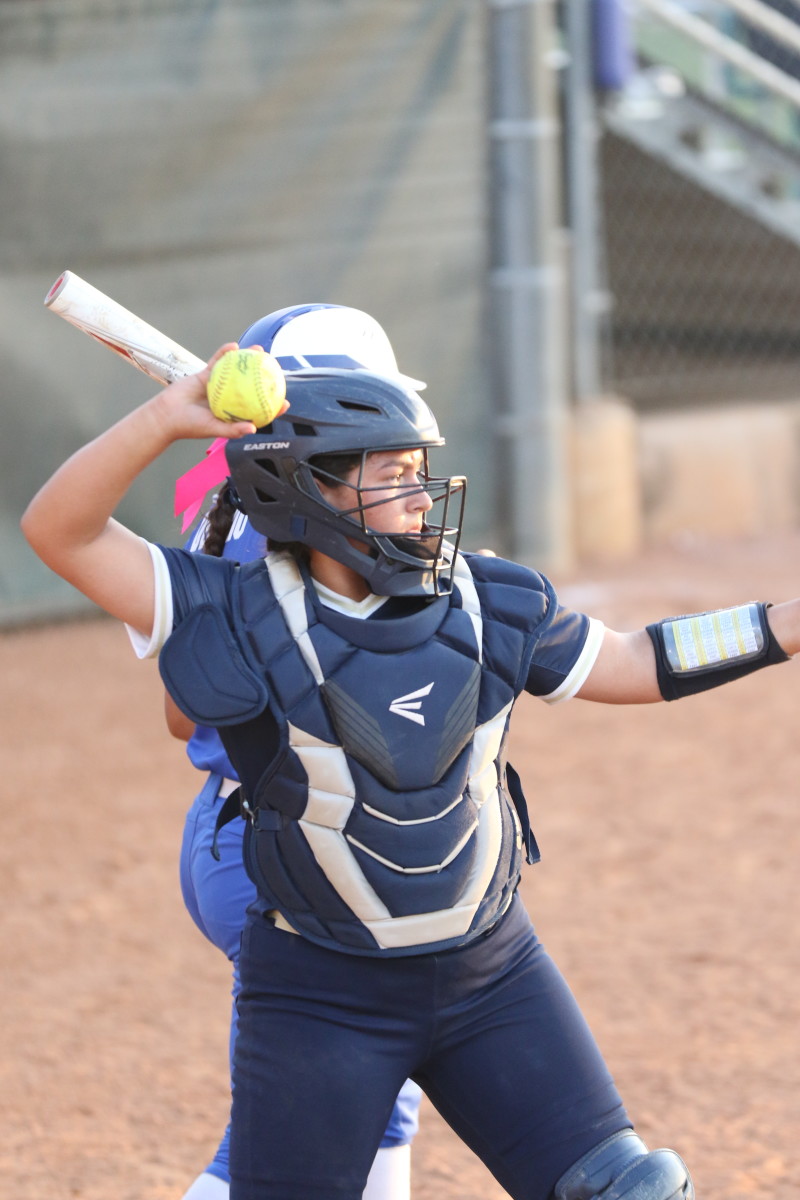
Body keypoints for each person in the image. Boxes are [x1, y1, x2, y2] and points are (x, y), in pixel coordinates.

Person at [21, 331, 799, 1200]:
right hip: (320, 999)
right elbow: (59, 530)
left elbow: (639, 661)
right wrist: (167, 417)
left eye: (418, 470)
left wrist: (783, 624)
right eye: (391, 476)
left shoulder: (489, 599)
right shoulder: (227, 611)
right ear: (308, 486)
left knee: (631, 1190)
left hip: (493, 977)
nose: (422, 498)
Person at [173, 304, 427, 1200]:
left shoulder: (215, 513)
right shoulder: (331, 533)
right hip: (284, 846)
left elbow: (180, 715)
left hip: (230, 831)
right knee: (293, 1124)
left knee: (378, 1088)